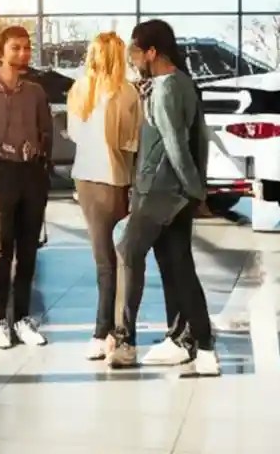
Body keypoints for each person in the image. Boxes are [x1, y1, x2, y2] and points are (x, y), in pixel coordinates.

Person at [106, 19, 220, 376]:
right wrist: (195, 189)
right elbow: (198, 141)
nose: (133, 60)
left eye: (135, 53)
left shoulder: (168, 88)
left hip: (158, 193)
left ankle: (124, 341)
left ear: (152, 52)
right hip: (176, 194)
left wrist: (194, 190)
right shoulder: (182, 84)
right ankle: (194, 343)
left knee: (127, 248)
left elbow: (174, 146)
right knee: (178, 268)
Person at [0, 26, 53, 349]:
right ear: (0, 52)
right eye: (16, 48)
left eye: (27, 48)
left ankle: (23, 318)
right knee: (1, 250)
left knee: (28, 251)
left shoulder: (35, 92)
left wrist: (43, 170)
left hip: (31, 174)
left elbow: (47, 133)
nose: (23, 54)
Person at [65, 32, 142, 361]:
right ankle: (118, 334)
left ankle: (100, 333)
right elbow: (131, 143)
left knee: (102, 261)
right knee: (123, 260)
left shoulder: (79, 90)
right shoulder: (126, 93)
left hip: (85, 180)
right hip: (116, 181)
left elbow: (74, 134)